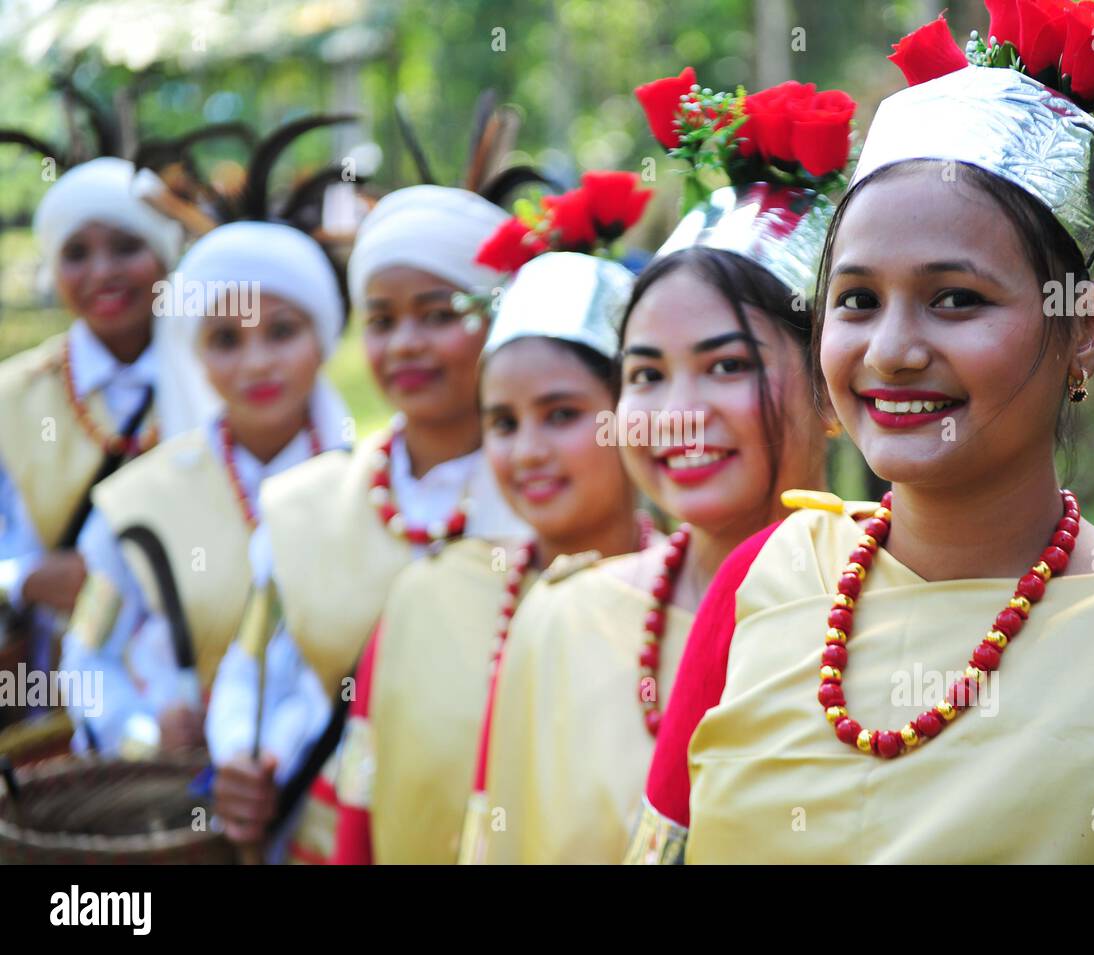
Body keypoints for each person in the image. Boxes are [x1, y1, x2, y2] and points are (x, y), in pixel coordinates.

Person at [628, 13, 1094, 864]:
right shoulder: (762, 582)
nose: (892, 351)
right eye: (857, 300)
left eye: (956, 300)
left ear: (1088, 328)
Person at [477, 75, 853, 863]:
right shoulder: (562, 619)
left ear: (831, 385)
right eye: (646, 374)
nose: (677, 411)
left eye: (725, 366)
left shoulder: (901, 622)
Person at [205, 184, 528, 862]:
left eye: (437, 314)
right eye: (382, 320)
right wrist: (238, 750)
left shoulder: (546, 496)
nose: (406, 343)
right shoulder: (309, 504)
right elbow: (256, 662)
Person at [333, 236, 658, 864]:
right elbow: (360, 816)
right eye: (504, 423)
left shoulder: (681, 603)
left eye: (560, 415)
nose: (528, 451)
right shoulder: (429, 594)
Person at [61, 221, 348, 756]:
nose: (256, 362)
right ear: (195, 353)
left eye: (282, 332)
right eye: (226, 340)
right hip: (180, 806)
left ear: (323, 338)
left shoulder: (371, 491)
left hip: (328, 813)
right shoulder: (138, 502)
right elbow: (85, 657)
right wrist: (144, 737)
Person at [0, 157, 182, 690]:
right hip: (49, 694)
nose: (103, 272)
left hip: (195, 690)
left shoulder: (217, 378)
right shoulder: (12, 396)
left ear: (165, 256)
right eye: (76, 254)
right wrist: (25, 579)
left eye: (127, 247)